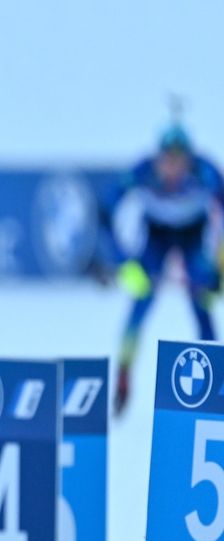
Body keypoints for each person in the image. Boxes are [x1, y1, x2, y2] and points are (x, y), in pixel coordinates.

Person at [111, 124, 224, 414]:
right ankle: (123, 376)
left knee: (202, 302)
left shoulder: (205, 172)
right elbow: (106, 211)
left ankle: (214, 380)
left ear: (189, 159)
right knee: (140, 302)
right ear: (158, 157)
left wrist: (218, 268)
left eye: (179, 160)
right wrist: (125, 262)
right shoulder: (142, 171)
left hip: (191, 236)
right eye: (167, 160)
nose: (173, 168)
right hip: (156, 237)